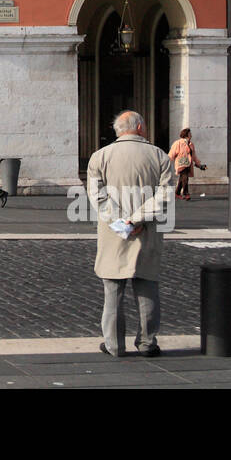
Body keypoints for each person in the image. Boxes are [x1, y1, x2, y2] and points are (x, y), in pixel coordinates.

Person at [86, 110, 174, 358]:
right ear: (140, 128)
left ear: (118, 131)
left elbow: (97, 196)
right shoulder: (159, 156)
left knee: (113, 290)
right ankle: (147, 342)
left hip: (113, 233)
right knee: (146, 286)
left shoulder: (99, 157)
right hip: (146, 231)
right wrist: (137, 219)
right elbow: (165, 196)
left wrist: (120, 220)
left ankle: (114, 345)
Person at [168, 128, 204, 200]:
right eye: (190, 134)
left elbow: (193, 156)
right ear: (186, 134)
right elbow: (172, 153)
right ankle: (186, 193)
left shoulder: (191, 144)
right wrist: (167, 161)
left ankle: (177, 193)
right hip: (181, 163)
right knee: (185, 178)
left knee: (182, 179)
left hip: (188, 164)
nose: (191, 135)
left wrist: (199, 164)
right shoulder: (178, 143)